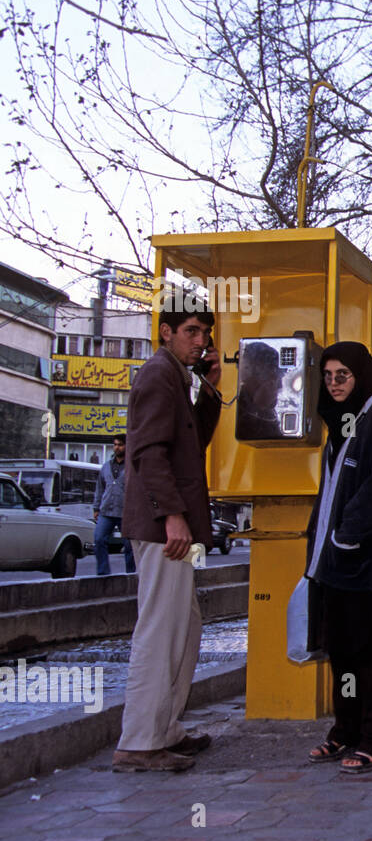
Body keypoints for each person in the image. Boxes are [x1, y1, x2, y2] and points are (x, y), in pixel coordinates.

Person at [113, 298, 221, 772]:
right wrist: (172, 516)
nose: (200, 342)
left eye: (204, 335)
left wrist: (211, 389)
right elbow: (148, 452)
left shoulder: (180, 378)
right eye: (192, 332)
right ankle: (139, 742)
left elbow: (193, 444)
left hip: (175, 528)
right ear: (166, 331)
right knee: (160, 629)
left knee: (185, 627)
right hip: (164, 530)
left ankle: (165, 728)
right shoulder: (158, 375)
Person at [305, 342, 372, 774]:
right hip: (337, 566)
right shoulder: (345, 424)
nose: (334, 384)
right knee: (344, 655)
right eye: (328, 376)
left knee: (370, 658)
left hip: (369, 567)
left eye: (343, 375)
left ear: (362, 375)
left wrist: (347, 537)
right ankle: (346, 731)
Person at [92, 434, 135, 576]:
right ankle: (103, 573)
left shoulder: (132, 466)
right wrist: (96, 508)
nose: (117, 447)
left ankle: (131, 574)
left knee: (130, 546)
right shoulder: (106, 466)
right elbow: (99, 488)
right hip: (106, 511)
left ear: (127, 446)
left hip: (126, 512)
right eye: (115, 444)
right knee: (99, 539)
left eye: (120, 445)